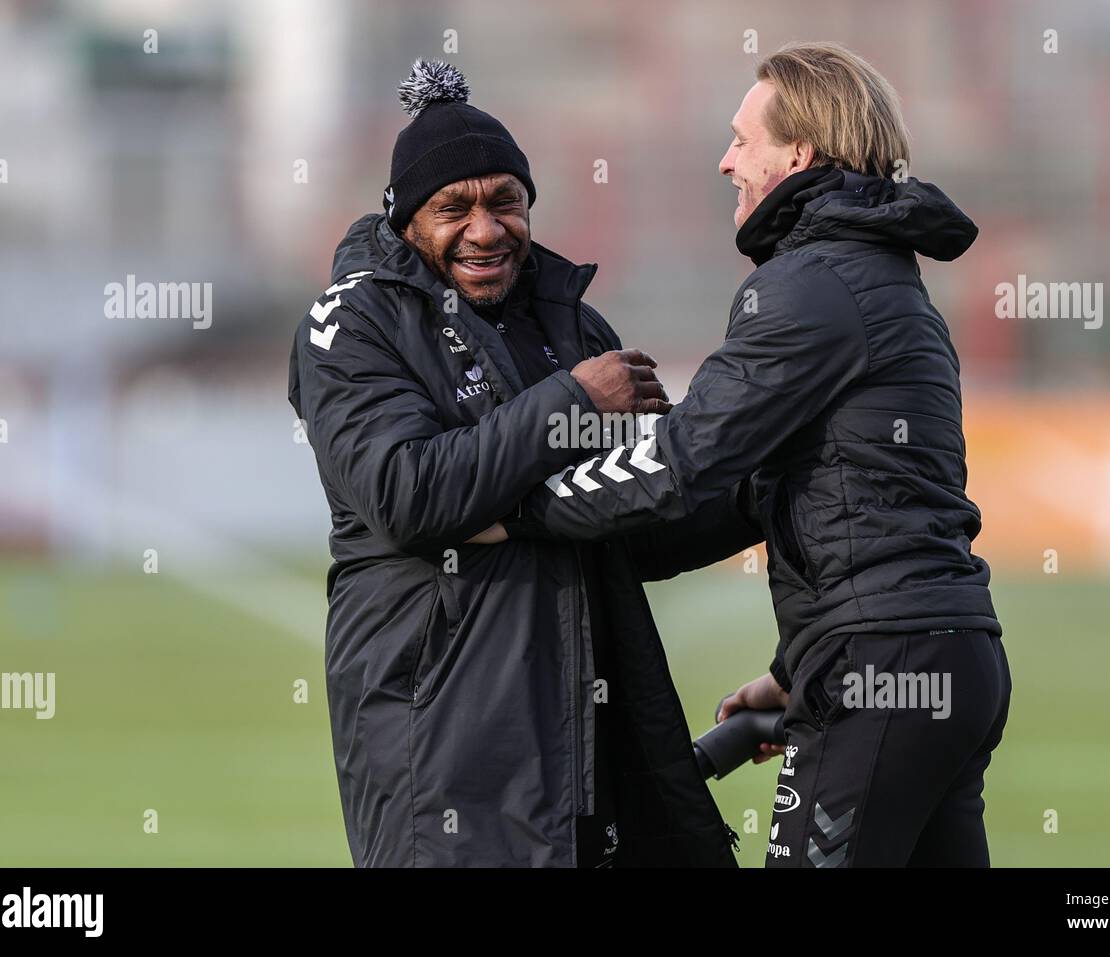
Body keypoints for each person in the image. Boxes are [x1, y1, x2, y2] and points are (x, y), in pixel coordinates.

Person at [495, 42, 1011, 867]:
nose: (725, 159)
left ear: (798, 153)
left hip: (880, 668)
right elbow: (815, 497)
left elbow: (683, 458)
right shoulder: (881, 277)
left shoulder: (810, 284)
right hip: (949, 657)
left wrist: (514, 506)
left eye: (743, 139)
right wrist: (795, 667)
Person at [287, 60, 756, 867]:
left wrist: (763, 483)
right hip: (442, 753)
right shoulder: (351, 322)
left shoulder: (573, 325)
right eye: (453, 208)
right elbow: (409, 491)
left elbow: (637, 523)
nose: (486, 228)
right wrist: (570, 403)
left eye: (506, 200)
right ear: (405, 220)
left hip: (589, 739)